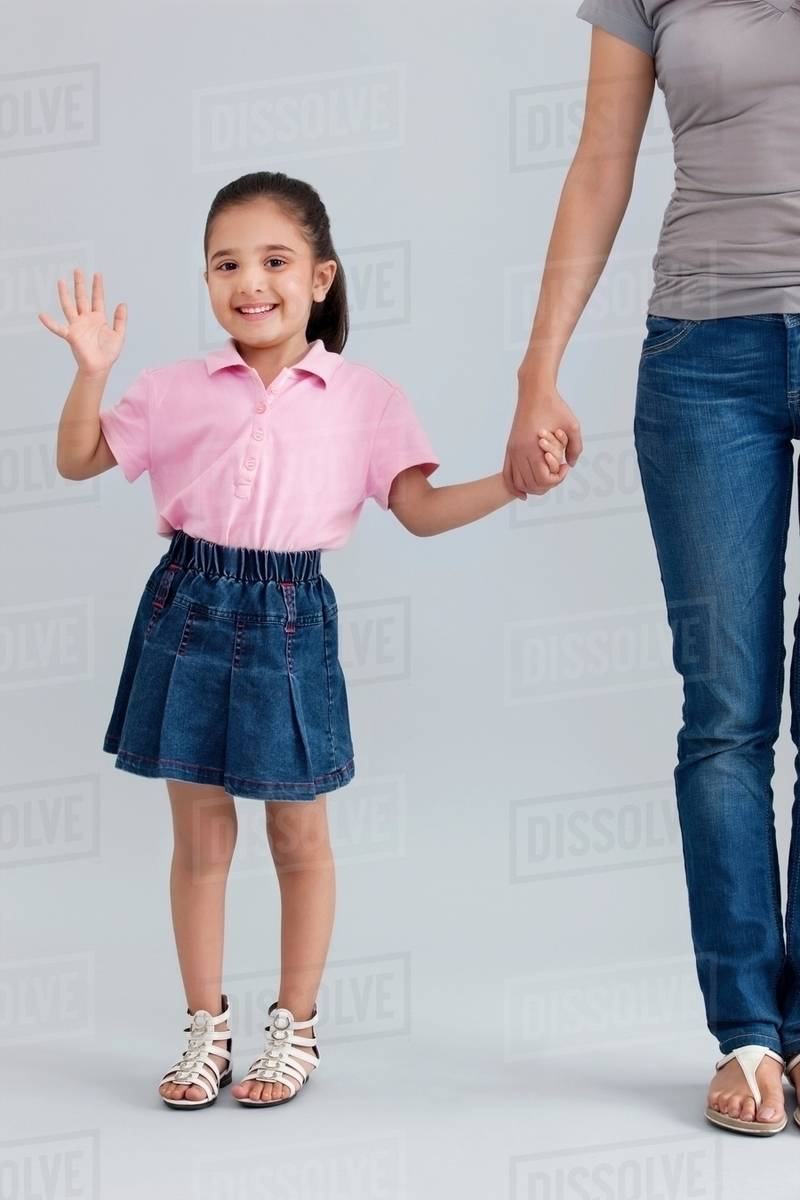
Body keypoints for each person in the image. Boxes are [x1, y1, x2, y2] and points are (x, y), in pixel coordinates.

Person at [41, 170, 569, 1111]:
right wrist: (91, 373)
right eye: (227, 264)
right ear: (207, 281)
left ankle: (296, 1025)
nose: (252, 282)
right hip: (187, 607)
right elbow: (78, 458)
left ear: (320, 278)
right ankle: (206, 1029)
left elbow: (418, 509)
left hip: (290, 617)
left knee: (297, 830)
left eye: (275, 260)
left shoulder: (365, 397)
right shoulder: (174, 389)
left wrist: (511, 482)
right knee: (200, 837)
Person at [504, 0, 800, 1136]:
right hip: (701, 357)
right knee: (724, 710)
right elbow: (597, 162)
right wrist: (539, 367)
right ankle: (745, 1038)